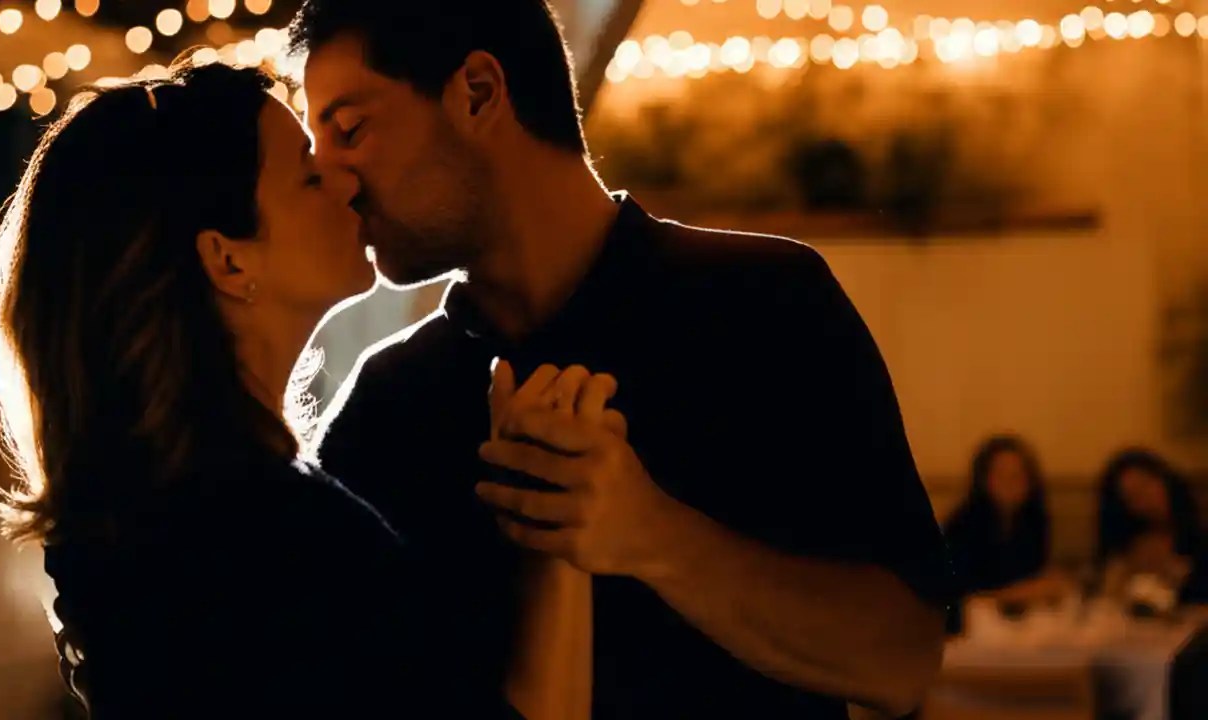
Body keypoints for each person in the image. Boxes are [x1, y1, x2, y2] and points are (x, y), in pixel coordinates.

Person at [294, 1, 953, 717]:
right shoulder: (390, 399)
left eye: (350, 130)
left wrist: (653, 536)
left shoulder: (765, 302)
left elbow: (902, 664)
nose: (333, 180)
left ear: (478, 93)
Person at [0, 60, 585, 718]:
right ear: (228, 259)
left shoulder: (129, 518)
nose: (345, 179)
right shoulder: (281, 546)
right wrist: (559, 507)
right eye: (308, 174)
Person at [944, 435, 1070, 607]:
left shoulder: (1033, 519)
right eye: (1000, 474)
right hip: (974, 615)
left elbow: (1036, 572)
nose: (1010, 483)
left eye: (1017, 475)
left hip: (1024, 614)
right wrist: (1020, 593)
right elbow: (962, 593)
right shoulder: (962, 524)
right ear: (983, 479)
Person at [1096, 448, 1201, 603]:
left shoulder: (1197, 537)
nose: (1145, 499)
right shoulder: (1130, 547)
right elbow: (1108, 598)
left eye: (1146, 484)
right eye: (1132, 497)